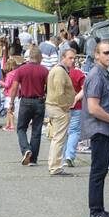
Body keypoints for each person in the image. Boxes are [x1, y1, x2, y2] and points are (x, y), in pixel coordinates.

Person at [81, 40, 109, 217]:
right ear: (96, 55)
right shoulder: (97, 75)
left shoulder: (102, 74)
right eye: (105, 53)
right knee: (98, 171)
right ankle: (96, 211)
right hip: (100, 129)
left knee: (100, 170)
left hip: (103, 129)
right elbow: (93, 107)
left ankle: (98, 208)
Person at [46, 47, 80, 176]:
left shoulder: (58, 70)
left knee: (57, 138)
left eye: (74, 58)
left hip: (56, 107)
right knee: (59, 139)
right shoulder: (60, 72)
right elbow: (60, 92)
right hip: (59, 108)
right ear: (63, 58)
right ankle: (55, 167)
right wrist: (66, 106)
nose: (73, 61)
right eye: (70, 58)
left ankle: (53, 165)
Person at [14, 48, 50, 165]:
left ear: (29, 57)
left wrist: (10, 103)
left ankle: (26, 149)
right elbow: (48, 87)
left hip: (25, 101)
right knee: (36, 130)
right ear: (39, 57)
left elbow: (14, 87)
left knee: (21, 128)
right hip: (39, 102)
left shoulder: (21, 70)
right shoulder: (44, 71)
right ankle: (33, 159)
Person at [64, 54, 87, 167]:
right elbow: (85, 89)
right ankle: (69, 155)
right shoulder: (78, 73)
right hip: (77, 107)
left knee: (63, 133)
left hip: (62, 107)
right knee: (74, 132)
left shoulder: (60, 72)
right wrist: (76, 98)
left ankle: (62, 157)